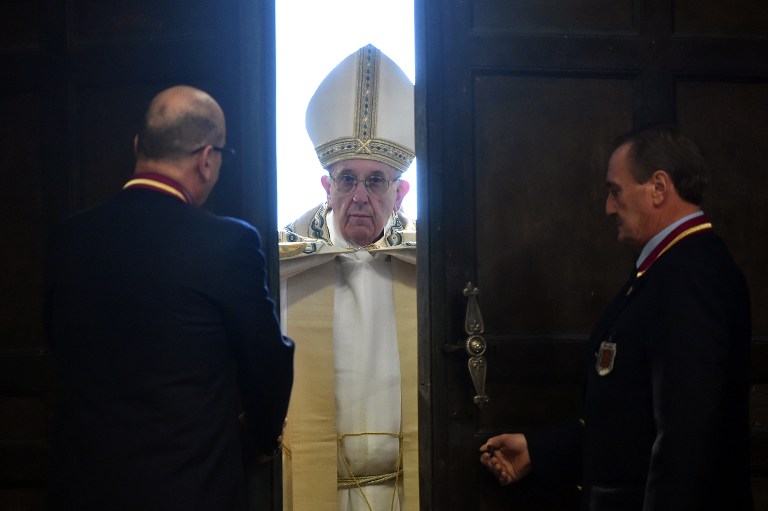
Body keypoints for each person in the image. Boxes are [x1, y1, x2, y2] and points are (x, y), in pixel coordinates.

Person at [44, 85, 295, 511]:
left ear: (138, 146)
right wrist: (257, 443)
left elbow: (57, 344)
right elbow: (266, 362)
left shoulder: (71, 238)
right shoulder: (227, 244)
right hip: (191, 488)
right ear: (206, 159)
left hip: (84, 488)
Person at [479, 125, 753, 510]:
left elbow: (686, 438)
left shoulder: (689, 277)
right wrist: (540, 449)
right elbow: (630, 419)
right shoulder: (668, 269)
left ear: (658, 187)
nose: (609, 207)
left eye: (616, 191)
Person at [277, 44, 418, 511]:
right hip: (318, 488)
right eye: (346, 179)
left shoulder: (426, 263)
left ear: (400, 193)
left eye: (376, 181)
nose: (359, 195)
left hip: (404, 487)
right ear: (326, 187)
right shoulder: (287, 264)